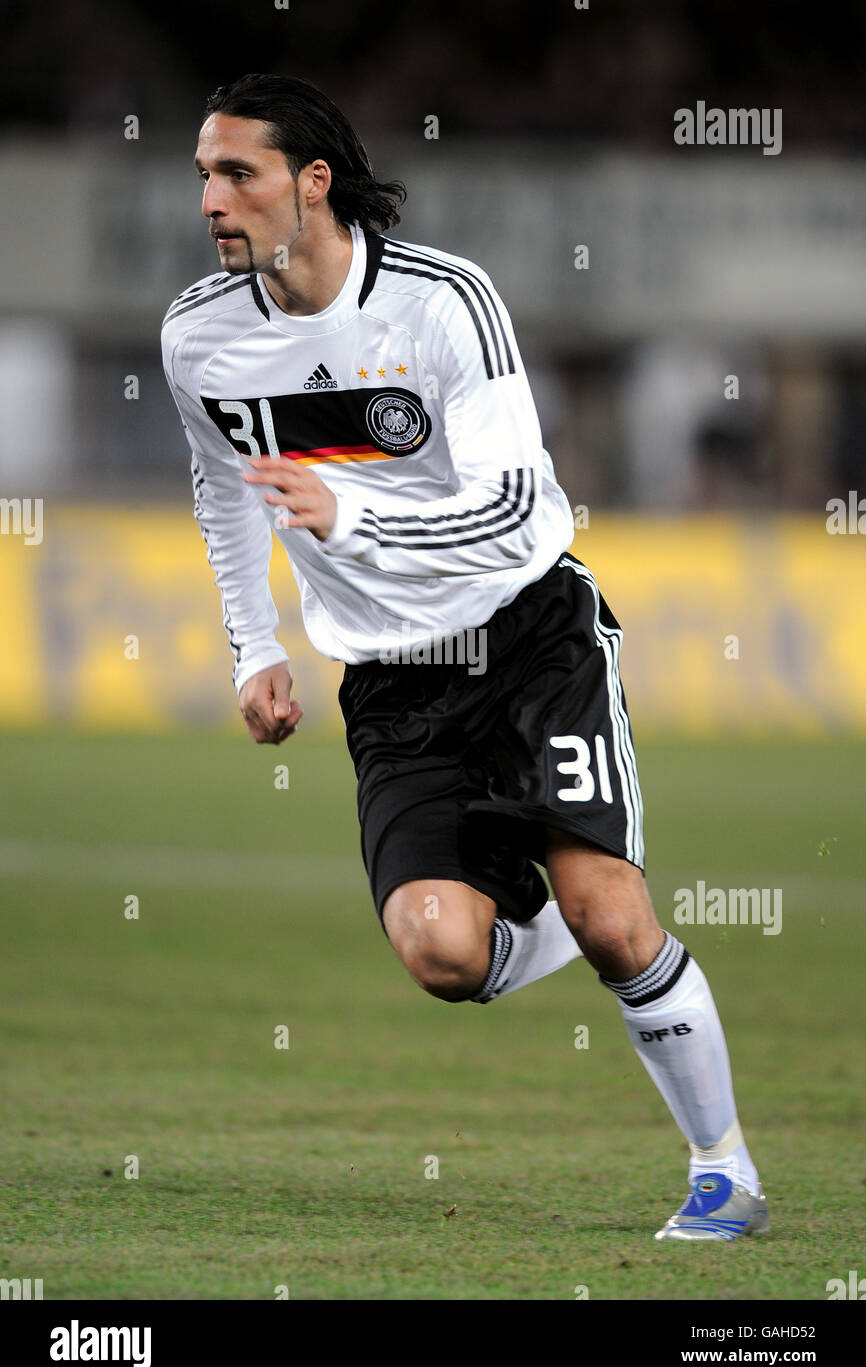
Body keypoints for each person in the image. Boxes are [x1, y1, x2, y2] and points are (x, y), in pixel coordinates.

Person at [162, 72, 768, 1242]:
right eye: (201, 174)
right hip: (391, 680)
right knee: (440, 950)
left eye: (236, 172)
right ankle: (570, 906)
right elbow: (224, 489)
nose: (211, 200)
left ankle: (723, 1170)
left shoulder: (443, 302)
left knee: (613, 921)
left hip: (531, 635)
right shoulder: (198, 336)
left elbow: (504, 511)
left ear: (312, 182)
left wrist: (349, 517)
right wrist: (253, 643)